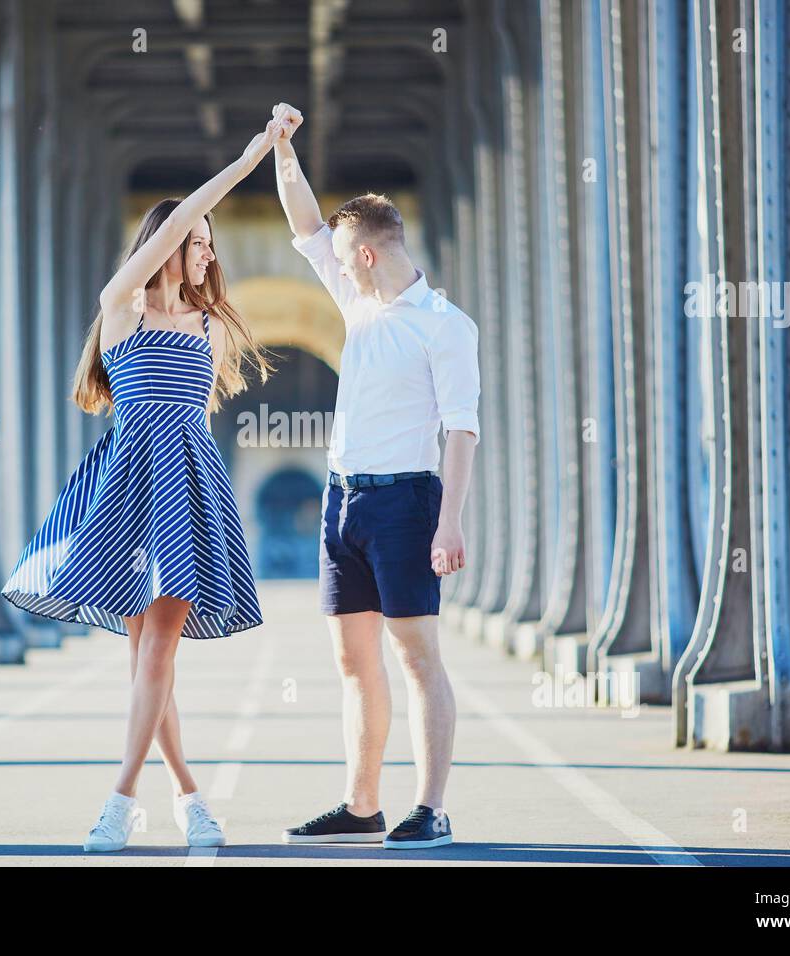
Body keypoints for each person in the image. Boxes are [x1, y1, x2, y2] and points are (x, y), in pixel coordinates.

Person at [1, 112, 289, 852]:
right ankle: (191, 799)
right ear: (166, 245)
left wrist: (259, 163)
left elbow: (192, 406)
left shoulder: (211, 328)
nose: (203, 255)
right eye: (194, 243)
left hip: (186, 485)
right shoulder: (122, 310)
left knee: (157, 650)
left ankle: (121, 799)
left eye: (209, 247)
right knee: (143, 660)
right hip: (128, 485)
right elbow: (177, 223)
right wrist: (249, 157)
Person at [270, 104, 480, 850]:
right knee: (353, 661)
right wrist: (284, 151)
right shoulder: (359, 303)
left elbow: (461, 429)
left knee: (417, 655)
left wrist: (450, 519)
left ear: (367, 253)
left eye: (343, 248)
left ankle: (431, 807)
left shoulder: (446, 327)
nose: (330, 255)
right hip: (342, 501)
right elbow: (304, 229)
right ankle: (362, 804)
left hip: (406, 502)